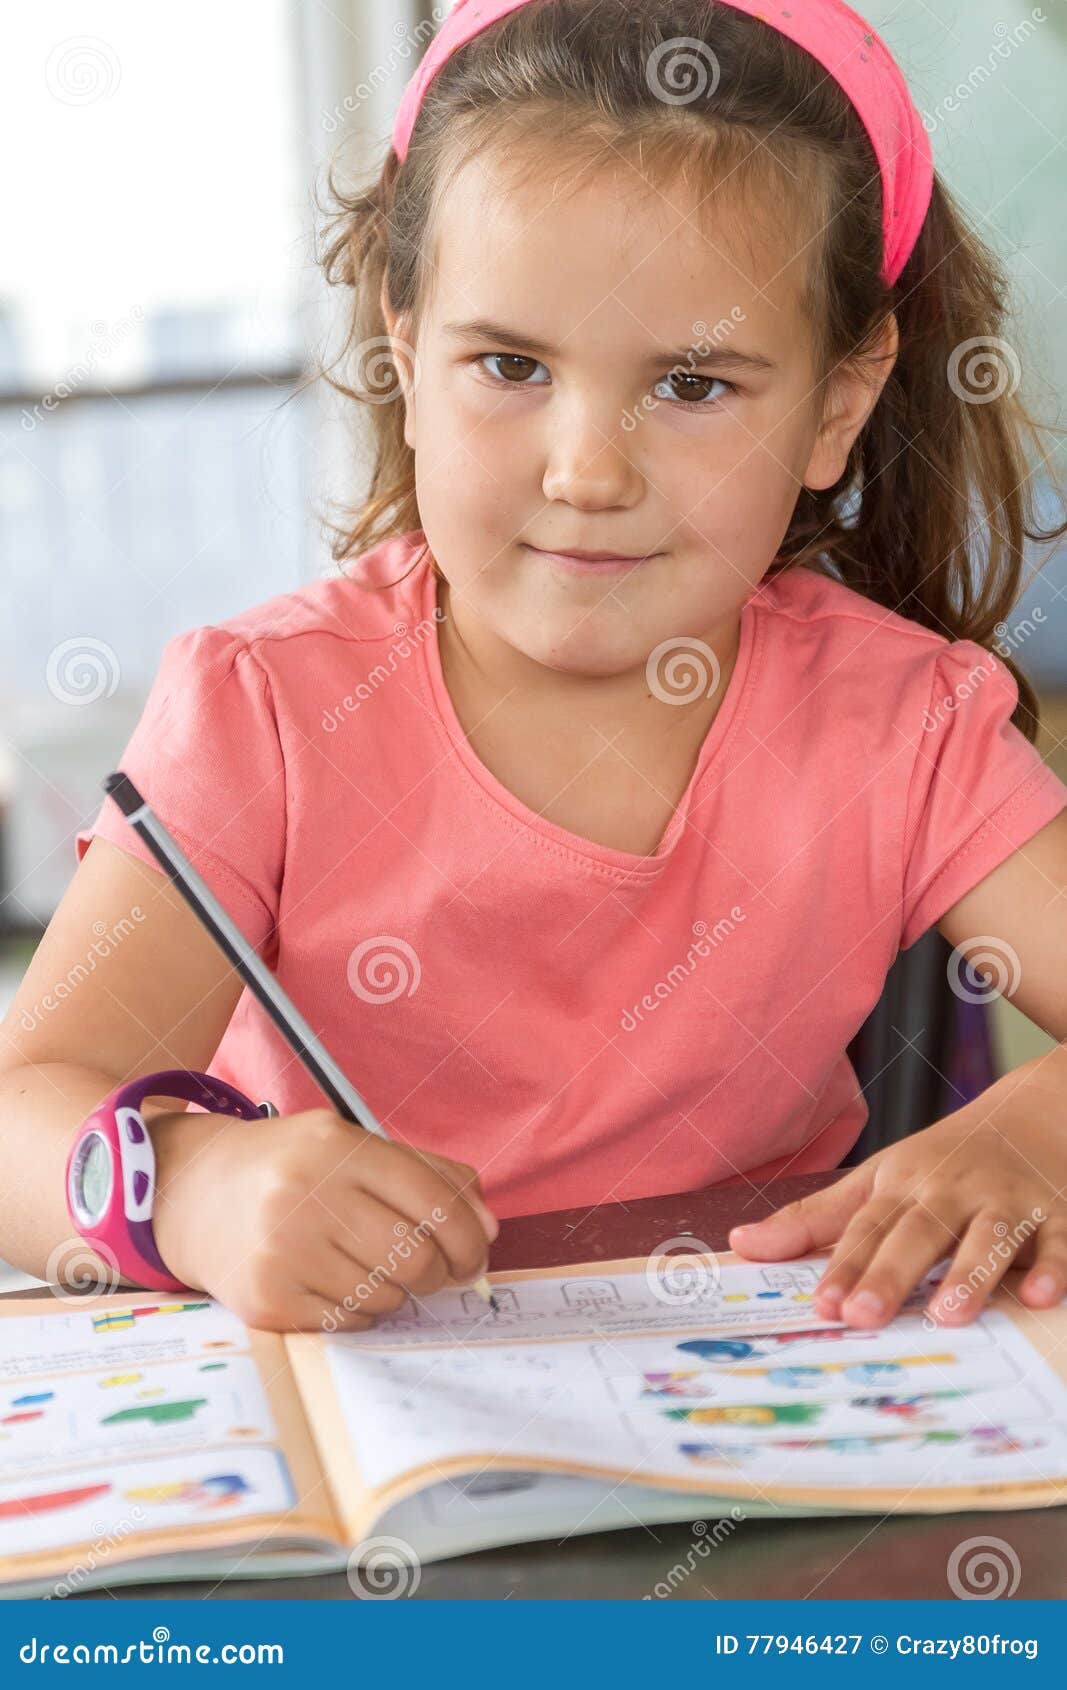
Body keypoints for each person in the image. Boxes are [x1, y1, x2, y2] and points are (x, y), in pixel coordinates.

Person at [3, 0, 1066, 1337]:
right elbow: (20, 1118)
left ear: (836, 406)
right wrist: (196, 1191)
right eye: (510, 365)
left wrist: (1038, 1129)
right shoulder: (261, 711)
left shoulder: (903, 723)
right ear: (405, 356)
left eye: (693, 386)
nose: (587, 472)